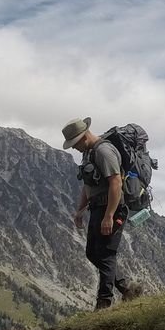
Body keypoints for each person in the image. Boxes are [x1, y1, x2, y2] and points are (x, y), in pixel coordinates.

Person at [62, 117, 138, 310]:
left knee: (106, 255)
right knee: (92, 253)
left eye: (75, 143)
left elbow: (116, 183)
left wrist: (109, 216)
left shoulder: (104, 152)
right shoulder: (89, 153)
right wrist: (80, 210)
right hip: (97, 208)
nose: (74, 148)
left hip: (110, 209)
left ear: (85, 136)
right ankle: (127, 288)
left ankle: (104, 303)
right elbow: (87, 185)